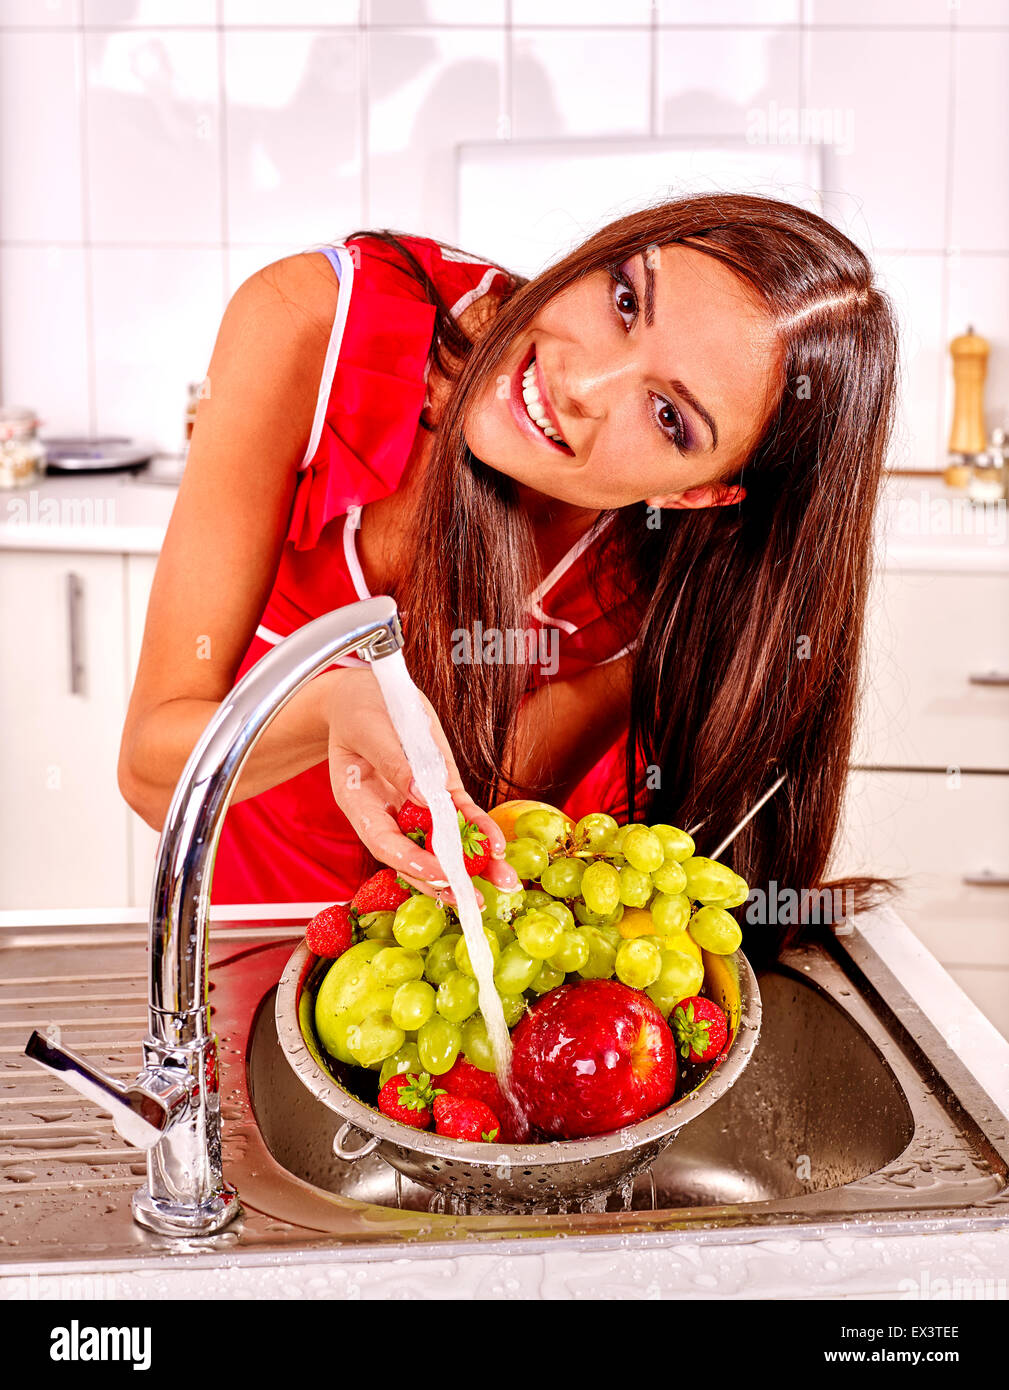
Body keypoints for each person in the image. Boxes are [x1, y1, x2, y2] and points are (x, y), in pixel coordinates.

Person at [118, 193, 898, 957]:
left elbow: (482, 816)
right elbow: (153, 775)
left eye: (668, 416)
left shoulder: (660, 577)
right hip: (239, 932)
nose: (581, 385)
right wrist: (334, 703)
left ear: (694, 494)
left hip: (447, 954)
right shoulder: (316, 324)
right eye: (625, 299)